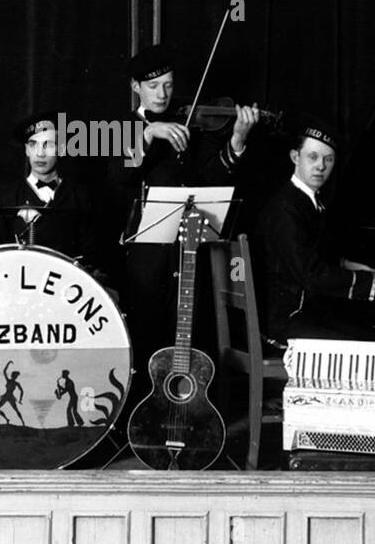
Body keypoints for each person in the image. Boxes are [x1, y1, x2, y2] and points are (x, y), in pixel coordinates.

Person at [107, 44, 260, 368]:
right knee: (147, 328)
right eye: (152, 86)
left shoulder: (190, 119)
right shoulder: (122, 127)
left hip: (189, 247)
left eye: (168, 84)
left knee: (190, 331)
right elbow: (122, 175)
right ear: (135, 87)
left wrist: (237, 140)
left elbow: (212, 174)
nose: (162, 94)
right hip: (146, 254)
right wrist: (148, 133)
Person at [255, 115, 375, 342]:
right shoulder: (284, 208)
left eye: (328, 159)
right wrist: (373, 282)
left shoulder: (309, 202)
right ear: (295, 157)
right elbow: (310, 275)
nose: (321, 166)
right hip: (287, 318)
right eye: (313, 157)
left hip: (310, 310)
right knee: (373, 343)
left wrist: (349, 265)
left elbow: (315, 255)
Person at [0, 111, 100, 267]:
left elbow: (92, 253)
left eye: (49, 145)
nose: (40, 153)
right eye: (33, 145)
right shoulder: (6, 197)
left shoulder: (80, 195)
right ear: (27, 149)